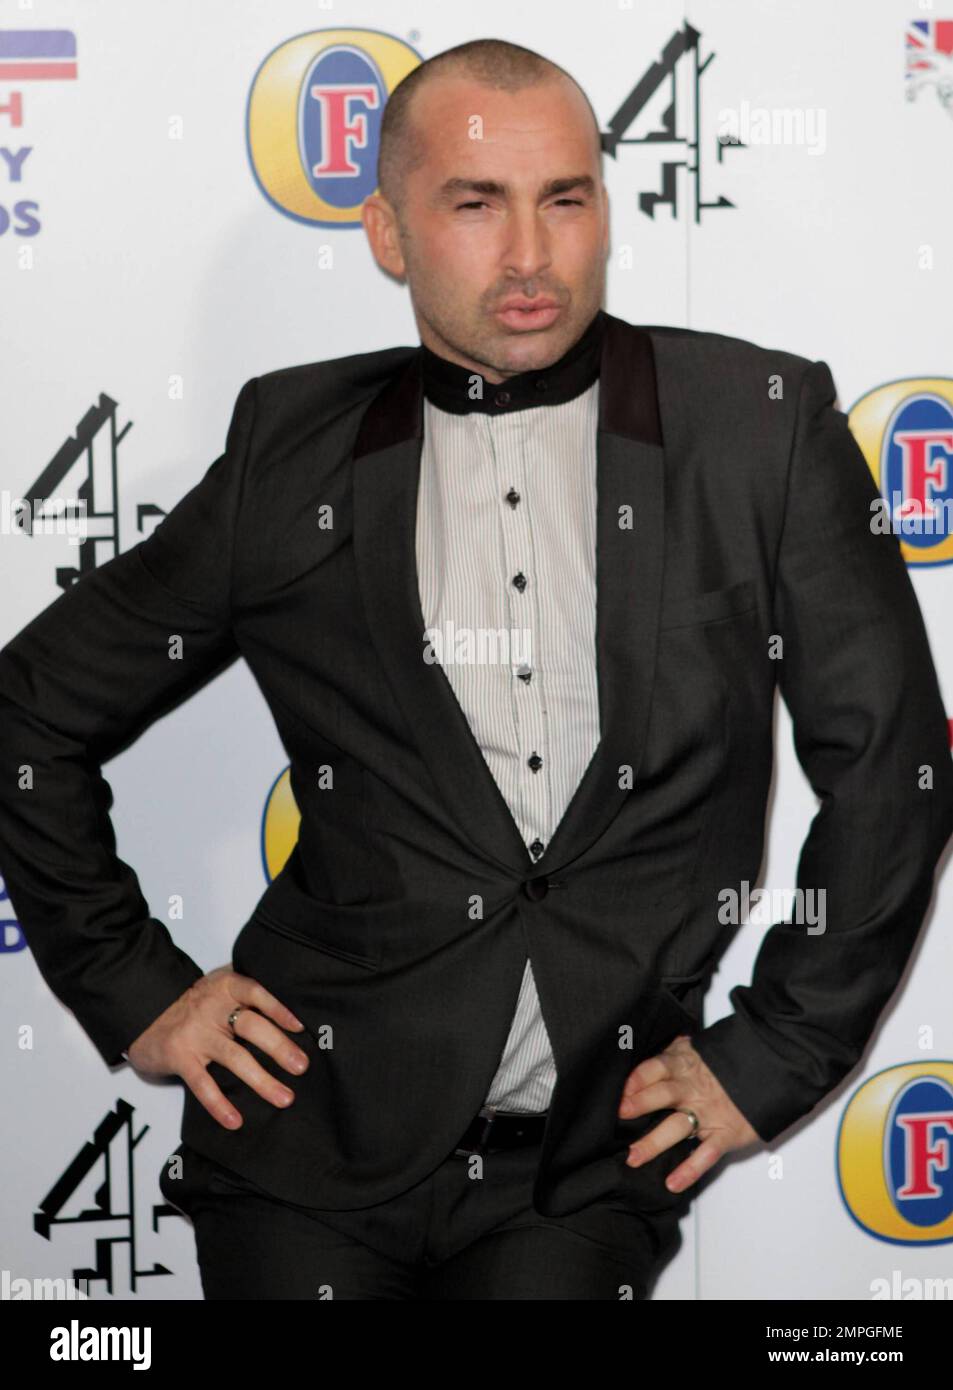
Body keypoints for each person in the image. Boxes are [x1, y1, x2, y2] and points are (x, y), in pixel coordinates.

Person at [1, 37, 950, 1301]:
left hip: (585, 1173)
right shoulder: (291, 451)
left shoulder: (756, 428)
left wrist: (772, 1050)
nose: (529, 255)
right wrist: (139, 988)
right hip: (303, 1151)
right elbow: (30, 715)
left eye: (564, 199)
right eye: (473, 203)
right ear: (387, 232)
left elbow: (893, 762)